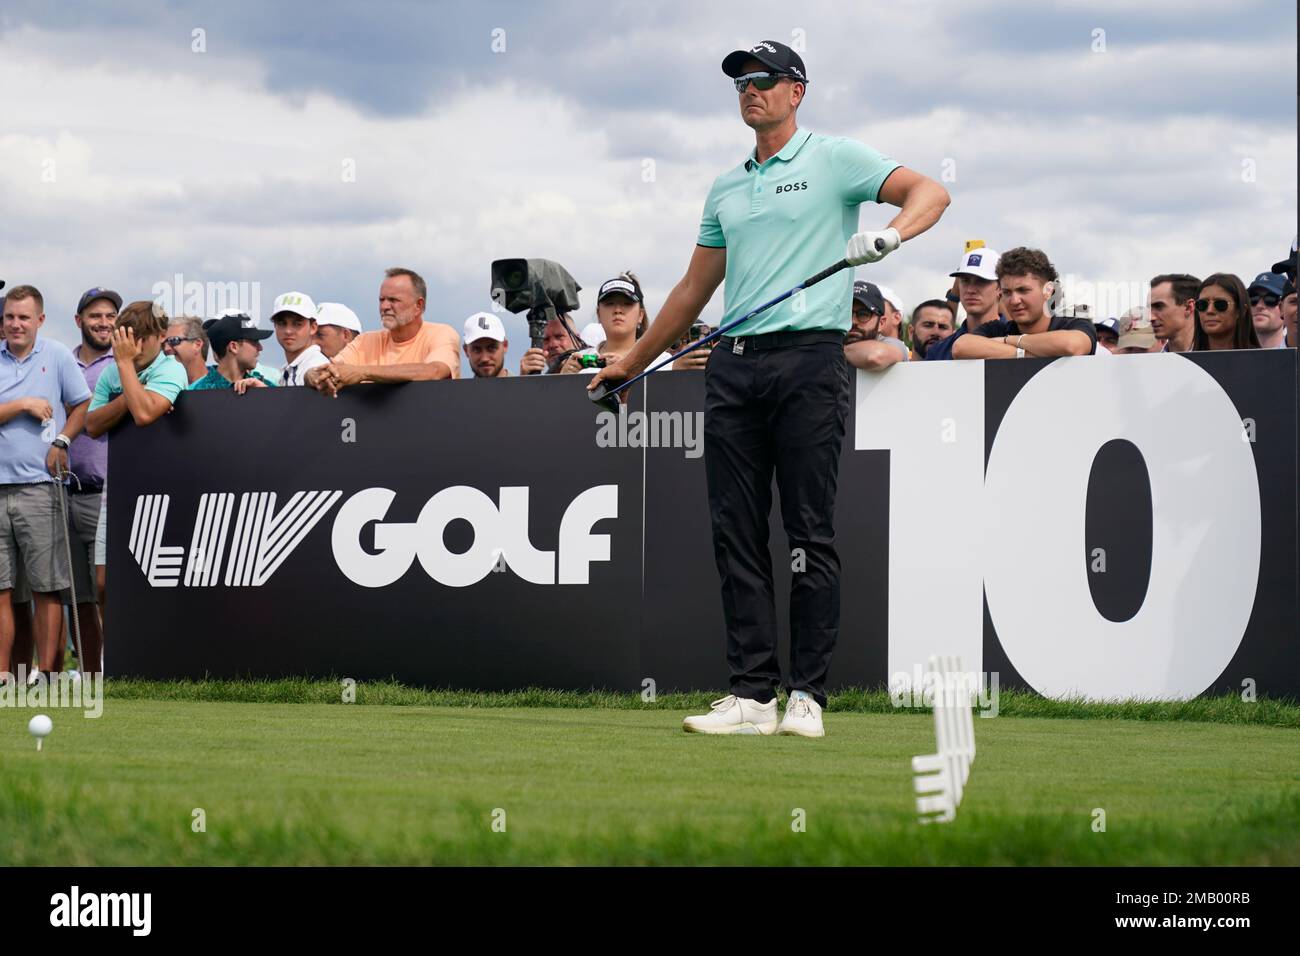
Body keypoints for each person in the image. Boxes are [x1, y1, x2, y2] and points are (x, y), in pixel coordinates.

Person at [588, 39, 949, 737]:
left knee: (808, 530)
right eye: (740, 84)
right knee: (737, 533)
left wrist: (890, 236)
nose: (749, 91)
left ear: (796, 91)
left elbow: (931, 192)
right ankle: (753, 696)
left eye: (763, 80)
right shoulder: (726, 187)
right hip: (734, 364)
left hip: (809, 360)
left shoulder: (835, 158)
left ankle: (806, 696)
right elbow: (695, 288)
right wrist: (630, 364)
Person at [85, 301, 190, 667]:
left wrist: (127, 371)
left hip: (167, 492)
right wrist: (128, 394)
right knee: (102, 583)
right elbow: (93, 425)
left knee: (154, 581)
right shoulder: (113, 373)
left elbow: (145, 414)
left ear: (161, 338)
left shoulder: (171, 368)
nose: (132, 345)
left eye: (140, 338)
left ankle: (156, 661)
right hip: (119, 492)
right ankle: (114, 662)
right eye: (126, 338)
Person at [0, 285, 91, 684]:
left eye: (23, 317)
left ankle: (49, 672)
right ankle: (4, 674)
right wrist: (22, 404)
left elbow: (82, 405)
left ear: (39, 320)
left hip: (40, 486)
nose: (15, 324)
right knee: (1, 589)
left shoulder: (55, 355)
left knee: (46, 586)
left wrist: (63, 440)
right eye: (9, 317)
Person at [65, 287, 121, 673]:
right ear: (79, 321)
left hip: (108, 494)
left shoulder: (124, 366)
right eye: (95, 315)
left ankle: (119, 668)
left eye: (109, 316)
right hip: (63, 492)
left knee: (108, 589)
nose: (103, 323)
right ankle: (90, 672)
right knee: (77, 595)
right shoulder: (63, 363)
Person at [306, 268, 459, 396]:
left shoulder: (441, 333)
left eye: (393, 300)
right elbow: (331, 372)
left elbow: (434, 371)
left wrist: (362, 373)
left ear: (418, 305)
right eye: (381, 300)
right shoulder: (365, 341)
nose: (384, 306)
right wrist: (313, 376)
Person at [952, 247, 1095, 359]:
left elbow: (1071, 346)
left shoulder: (1075, 324)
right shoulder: (996, 329)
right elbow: (961, 347)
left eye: (1023, 290)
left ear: (1049, 291)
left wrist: (1009, 341)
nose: (1014, 301)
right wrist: (1025, 355)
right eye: (1007, 292)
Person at [560, 274, 673, 374]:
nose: (618, 310)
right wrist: (564, 379)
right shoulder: (579, 361)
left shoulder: (661, 361)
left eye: (627, 304)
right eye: (609, 304)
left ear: (640, 315)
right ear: (599, 314)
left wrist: (629, 370)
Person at [925, 247, 1003, 361]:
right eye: (965, 281)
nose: (970, 290)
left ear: (1000, 287)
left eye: (981, 281)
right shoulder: (938, 351)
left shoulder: (1019, 337)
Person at [190, 313, 278, 391]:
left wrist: (267, 395)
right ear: (234, 347)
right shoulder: (195, 393)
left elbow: (286, 408)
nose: (260, 348)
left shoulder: (263, 386)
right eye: (254, 341)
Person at [845, 280, 907, 370]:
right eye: (847, 314)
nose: (853, 321)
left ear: (881, 323)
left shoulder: (893, 345)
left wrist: (836, 351)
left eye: (863, 314)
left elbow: (875, 356)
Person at [271, 291, 330, 385]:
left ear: (313, 328)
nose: (288, 331)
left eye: (297, 324)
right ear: (275, 326)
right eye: (282, 323)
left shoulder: (317, 366)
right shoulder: (290, 368)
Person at [1192, 274, 1260, 351]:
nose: (1209, 311)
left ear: (1241, 311)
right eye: (1202, 304)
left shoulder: (1264, 360)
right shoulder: (1182, 361)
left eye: (1220, 304)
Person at [1147, 274, 1198, 354]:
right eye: (1149, 309)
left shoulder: (1220, 360)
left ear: (1189, 307)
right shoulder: (1150, 364)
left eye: (1159, 306)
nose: (1150, 318)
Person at [519, 315, 583, 375]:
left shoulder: (592, 374)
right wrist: (525, 380)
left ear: (577, 340)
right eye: (546, 339)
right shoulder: (541, 384)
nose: (552, 345)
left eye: (559, 336)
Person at [1246, 272, 1288, 349]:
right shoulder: (1231, 357)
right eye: (1253, 298)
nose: (1259, 306)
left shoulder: (1296, 357)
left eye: (1271, 299)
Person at [163, 316, 210, 383]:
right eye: (162, 344)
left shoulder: (222, 386)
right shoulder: (161, 387)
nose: (166, 348)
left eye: (173, 340)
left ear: (197, 345)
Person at [462, 312, 510, 378]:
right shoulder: (457, 388)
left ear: (505, 346)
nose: (485, 359)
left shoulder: (526, 386)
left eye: (492, 349)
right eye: (477, 350)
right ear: (466, 351)